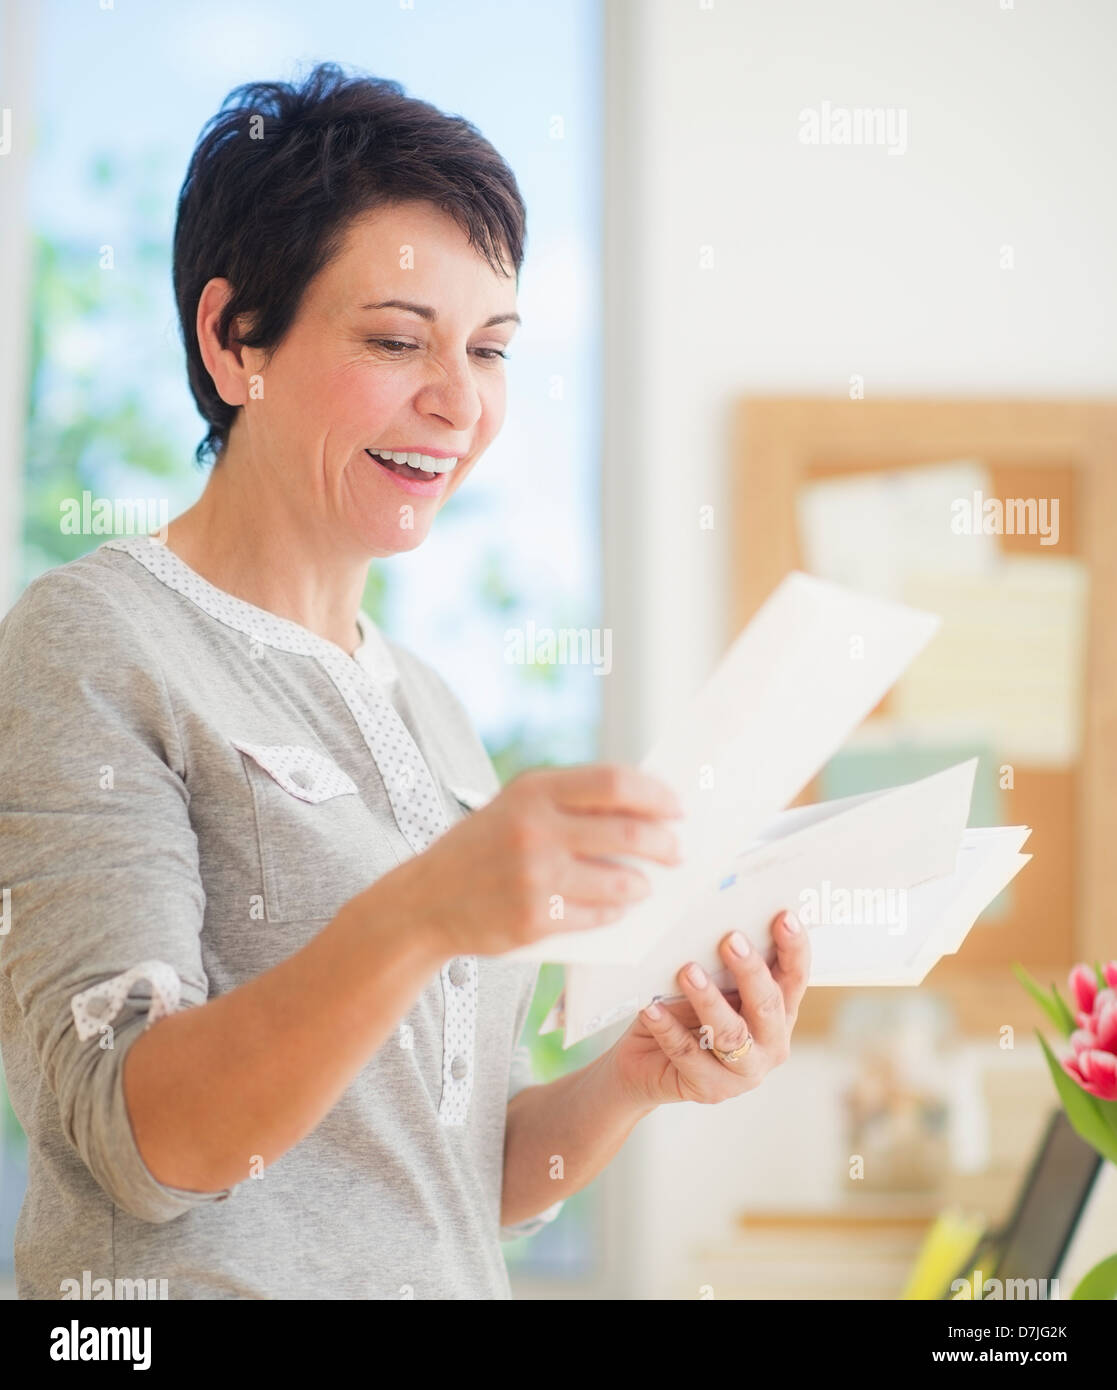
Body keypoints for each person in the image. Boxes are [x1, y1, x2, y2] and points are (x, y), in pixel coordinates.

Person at [0, 62, 809, 1300]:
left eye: (489, 349)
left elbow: (444, 1184)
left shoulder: (427, 708)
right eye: (394, 340)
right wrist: (424, 909)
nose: (457, 402)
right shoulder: (92, 644)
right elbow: (142, 1139)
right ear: (233, 341)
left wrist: (634, 1078)